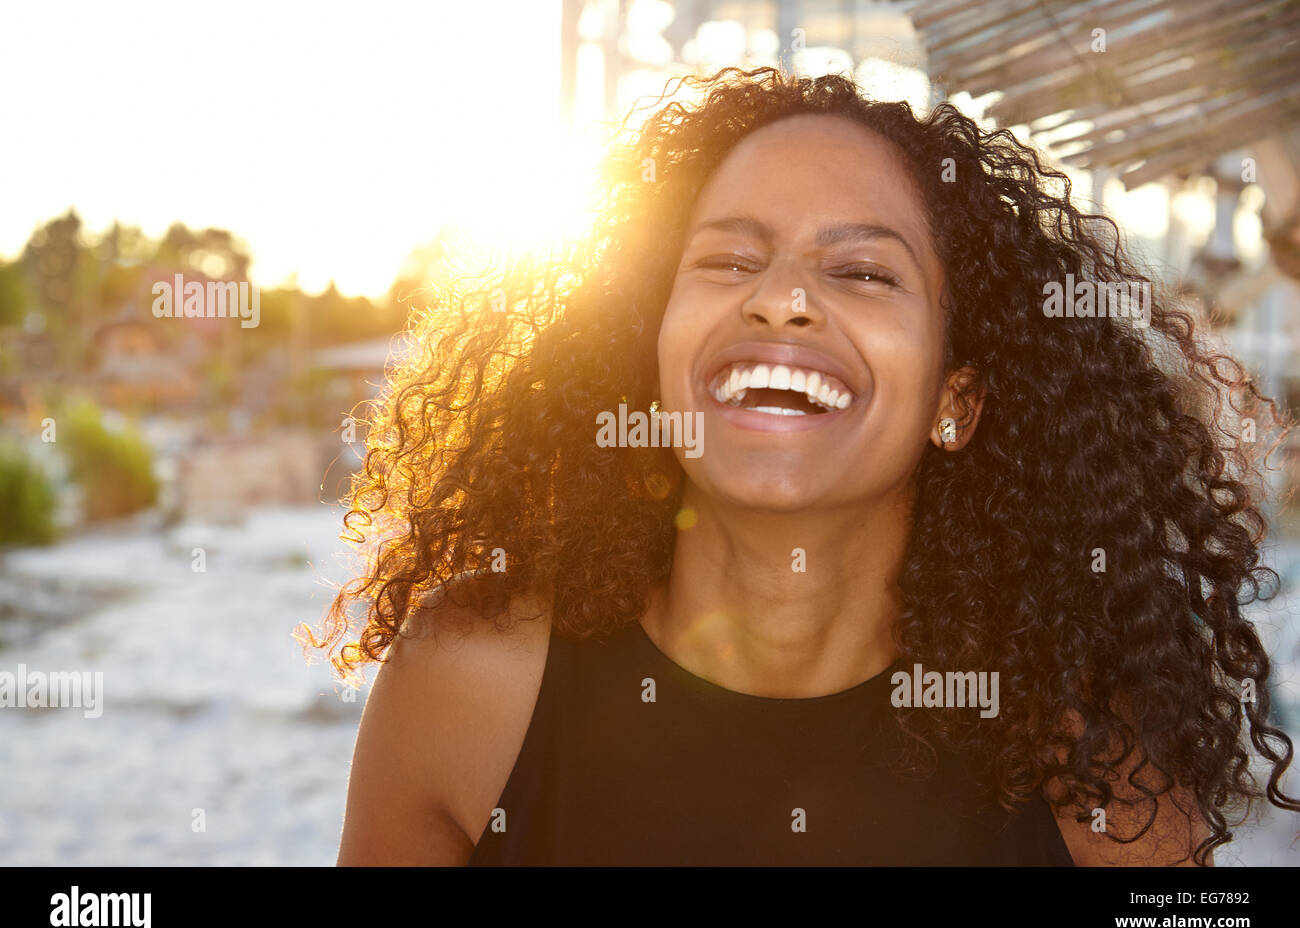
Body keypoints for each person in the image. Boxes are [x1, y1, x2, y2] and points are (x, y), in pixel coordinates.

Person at [308, 66, 1300, 865]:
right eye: (729, 261)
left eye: (862, 271)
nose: (780, 298)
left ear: (957, 400)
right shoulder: (468, 686)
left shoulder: (1099, 777)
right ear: (644, 349)